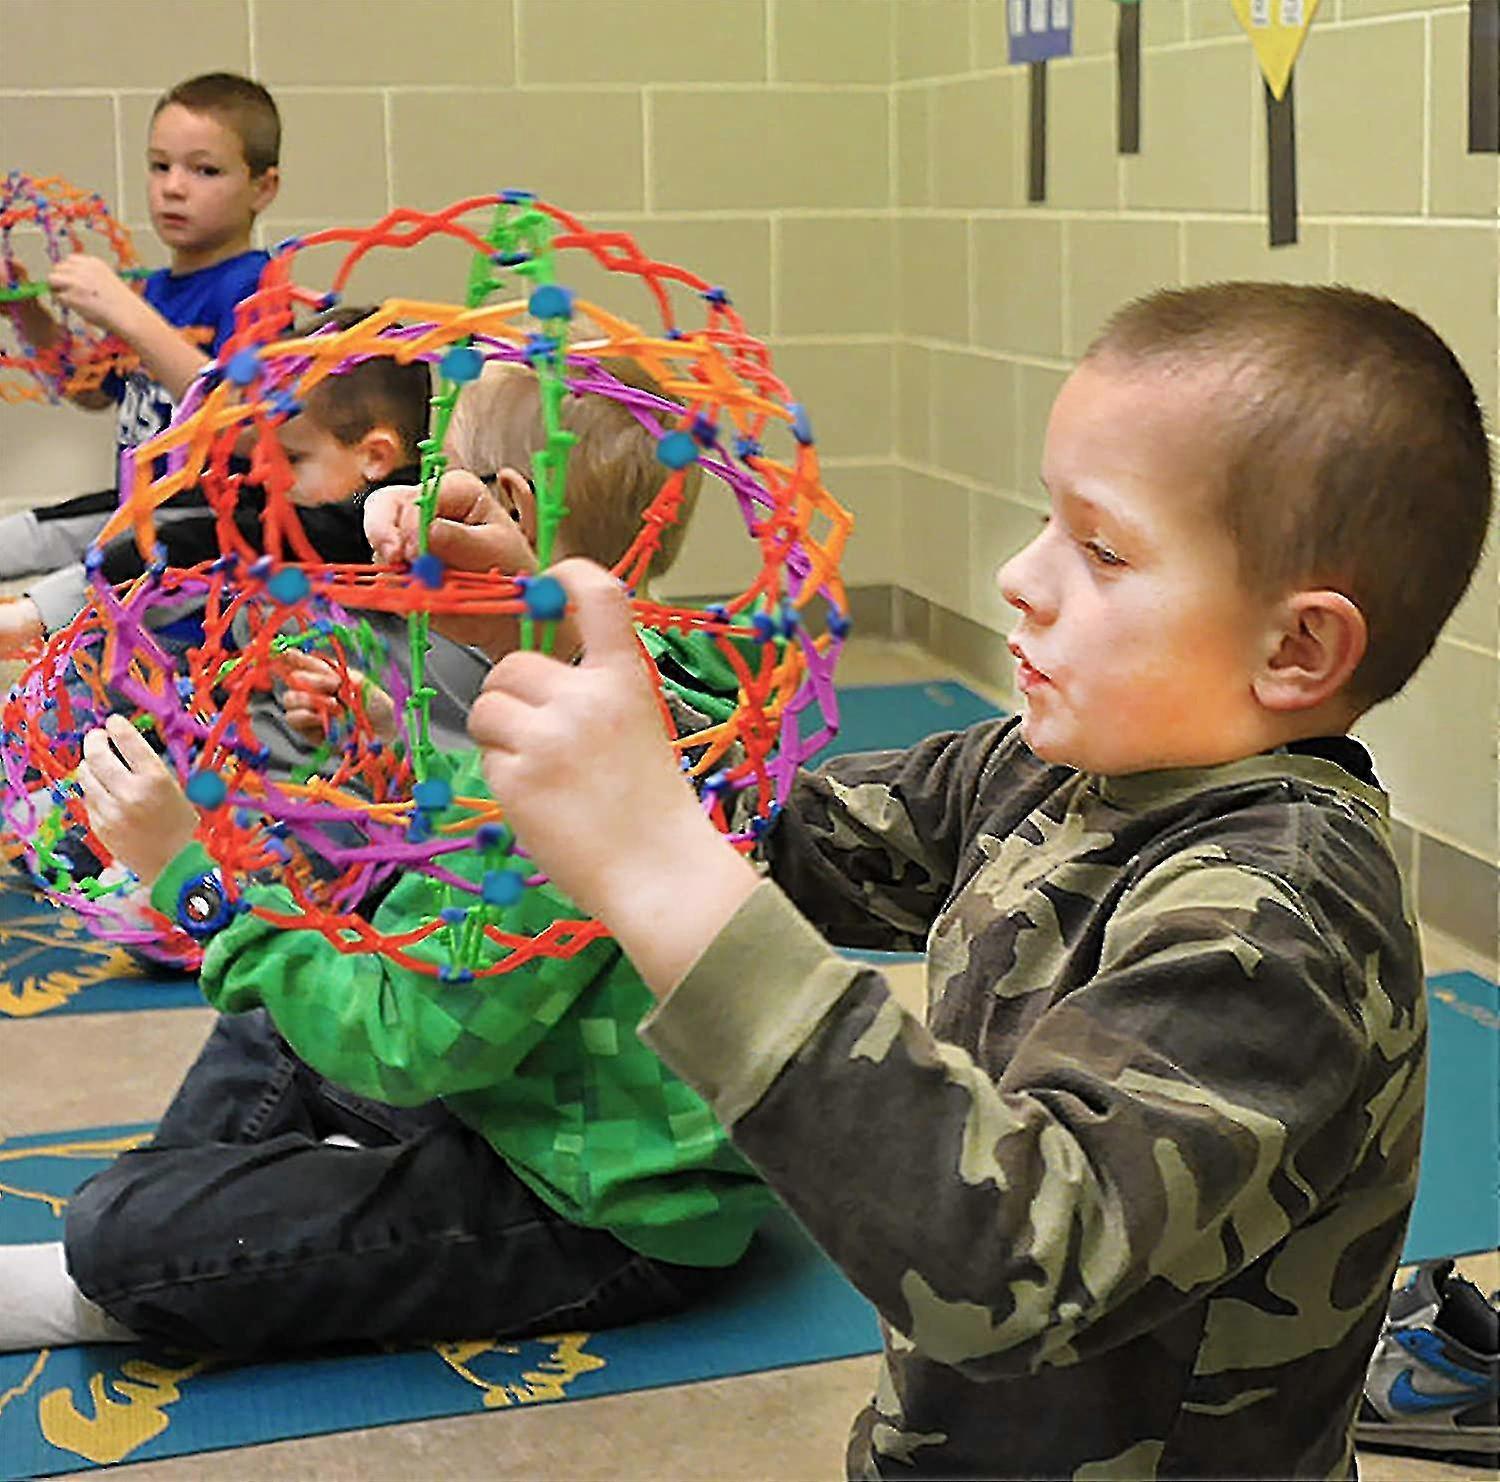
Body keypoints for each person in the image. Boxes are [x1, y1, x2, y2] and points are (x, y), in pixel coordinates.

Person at [456, 283, 1492, 1478]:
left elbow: (1009, 1260)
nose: (1019, 573)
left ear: (1296, 650)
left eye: (1100, 549)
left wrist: (656, 866)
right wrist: (544, 640)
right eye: (1045, 521)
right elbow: (788, 835)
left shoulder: (1284, 924)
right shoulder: (1052, 770)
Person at [0, 355, 773, 1358]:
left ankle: (149, 1267)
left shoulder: (578, 773)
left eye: (432, 483)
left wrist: (196, 882)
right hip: (516, 1085)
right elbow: (475, 890)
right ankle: (227, 1227)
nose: (400, 518)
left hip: (601, 1206)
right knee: (271, 1025)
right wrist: (379, 745)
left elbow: (411, 1035)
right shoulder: (623, 683)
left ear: (499, 506)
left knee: (119, 1232)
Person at [0, 72, 280, 579]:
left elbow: (242, 418)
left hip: (206, 526)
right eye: (159, 166)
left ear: (263, 188)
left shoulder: (256, 283)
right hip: (138, 507)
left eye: (205, 171)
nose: (173, 187)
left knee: (63, 597)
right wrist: (29, 314)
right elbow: (91, 390)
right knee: (14, 542)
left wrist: (123, 312)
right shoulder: (151, 290)